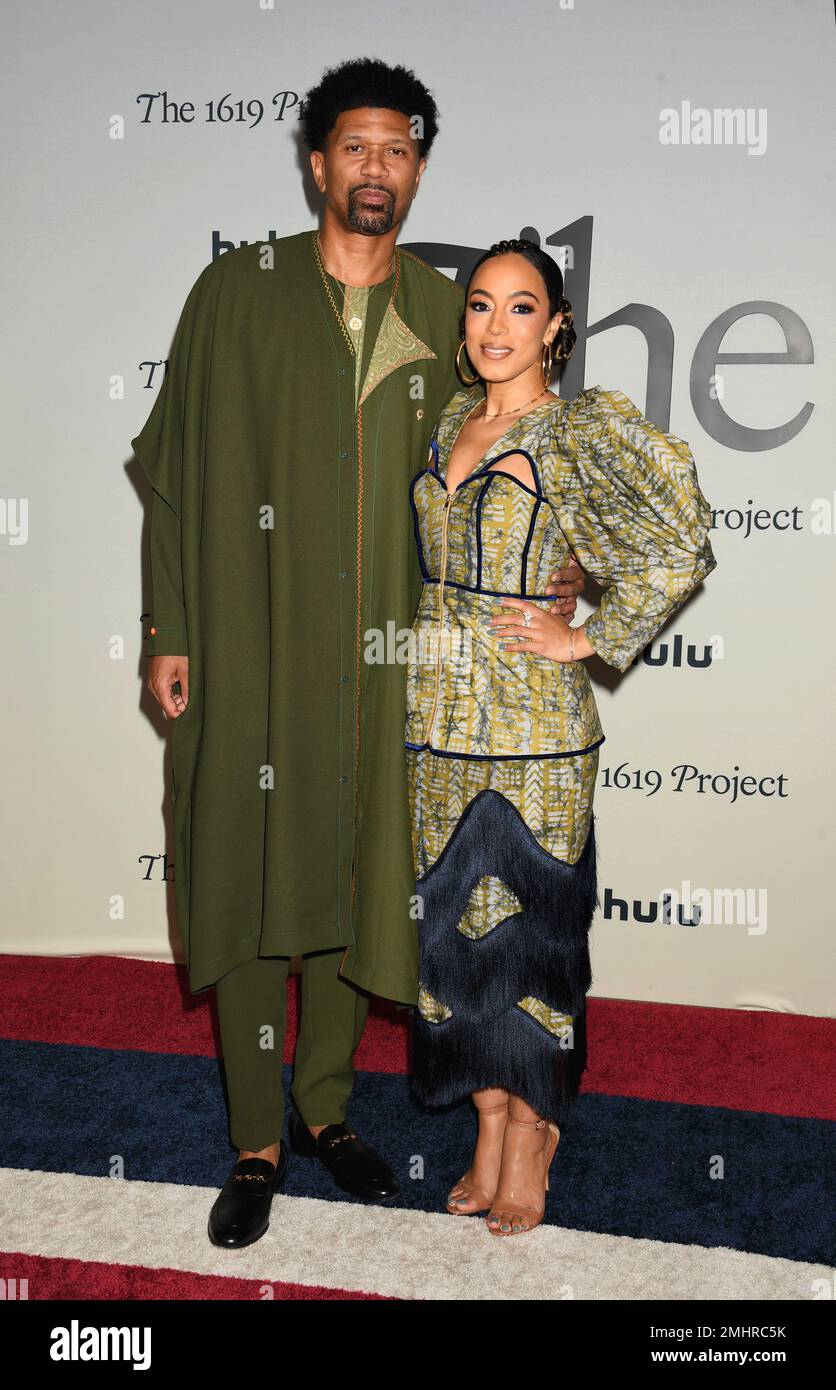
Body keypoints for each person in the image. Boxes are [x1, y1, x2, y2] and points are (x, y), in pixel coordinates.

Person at [132, 60, 586, 1248]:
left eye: (397, 149)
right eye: (353, 147)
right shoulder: (234, 292)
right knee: (243, 865)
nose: (374, 168)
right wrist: (168, 628)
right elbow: (173, 479)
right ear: (316, 161)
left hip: (394, 661)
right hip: (246, 639)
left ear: (418, 166)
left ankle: (326, 1111)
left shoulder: (450, 315)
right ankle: (254, 1138)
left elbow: (531, 453)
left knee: (348, 873)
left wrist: (573, 575)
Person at [406, 238, 717, 1236]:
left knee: (531, 937)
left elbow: (678, 545)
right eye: (480, 306)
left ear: (555, 326)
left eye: (520, 308)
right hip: (433, 720)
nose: (495, 327)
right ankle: (487, 1120)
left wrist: (585, 638)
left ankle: (533, 1129)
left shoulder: (574, 433)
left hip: (535, 728)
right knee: (453, 941)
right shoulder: (450, 417)